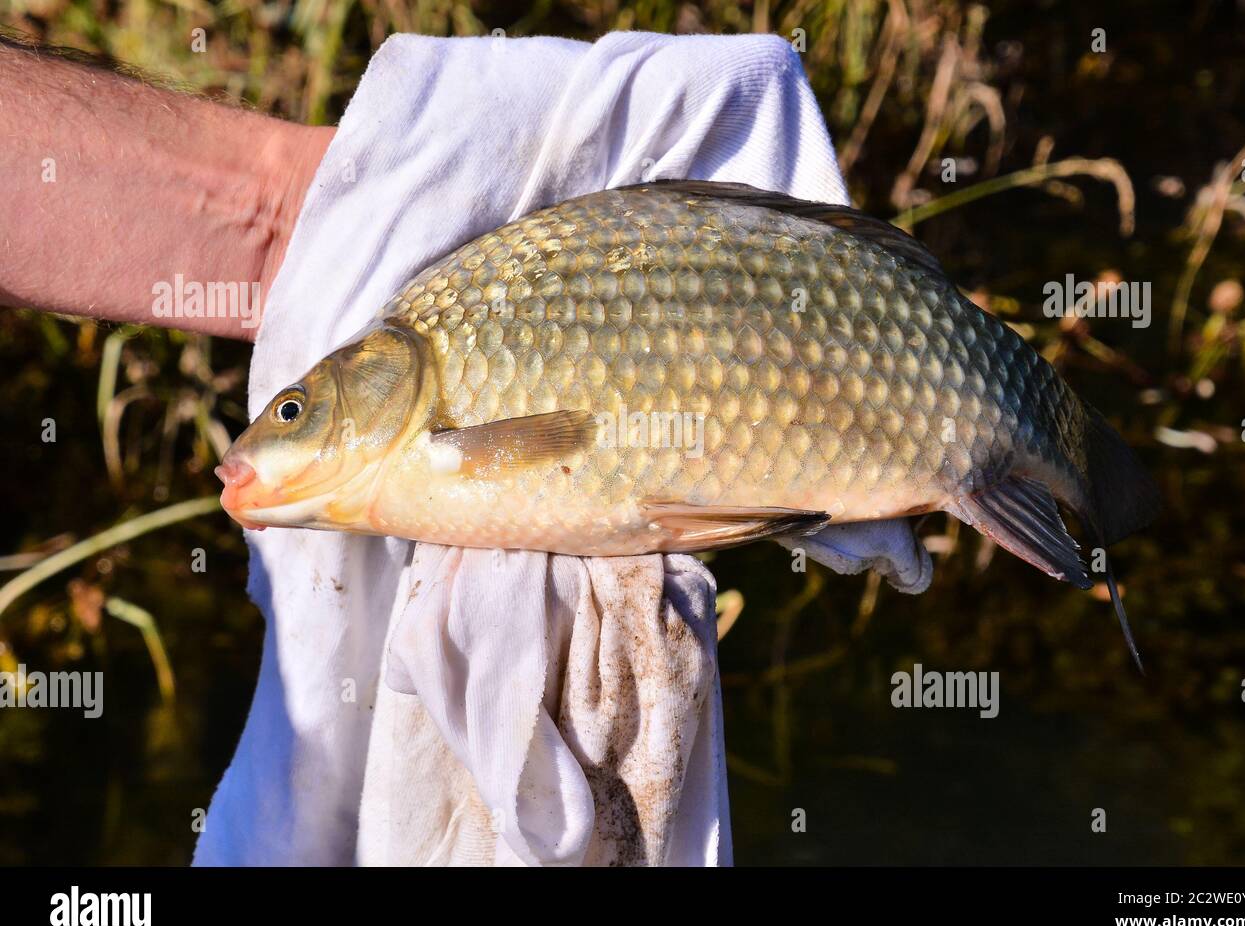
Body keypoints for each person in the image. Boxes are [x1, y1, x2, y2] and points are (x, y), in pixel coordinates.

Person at [1, 29, 931, 866]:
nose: (265, 441)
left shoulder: (428, 380)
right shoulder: (411, 383)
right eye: (288, 415)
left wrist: (295, 217)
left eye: (291, 413)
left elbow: (556, 441)